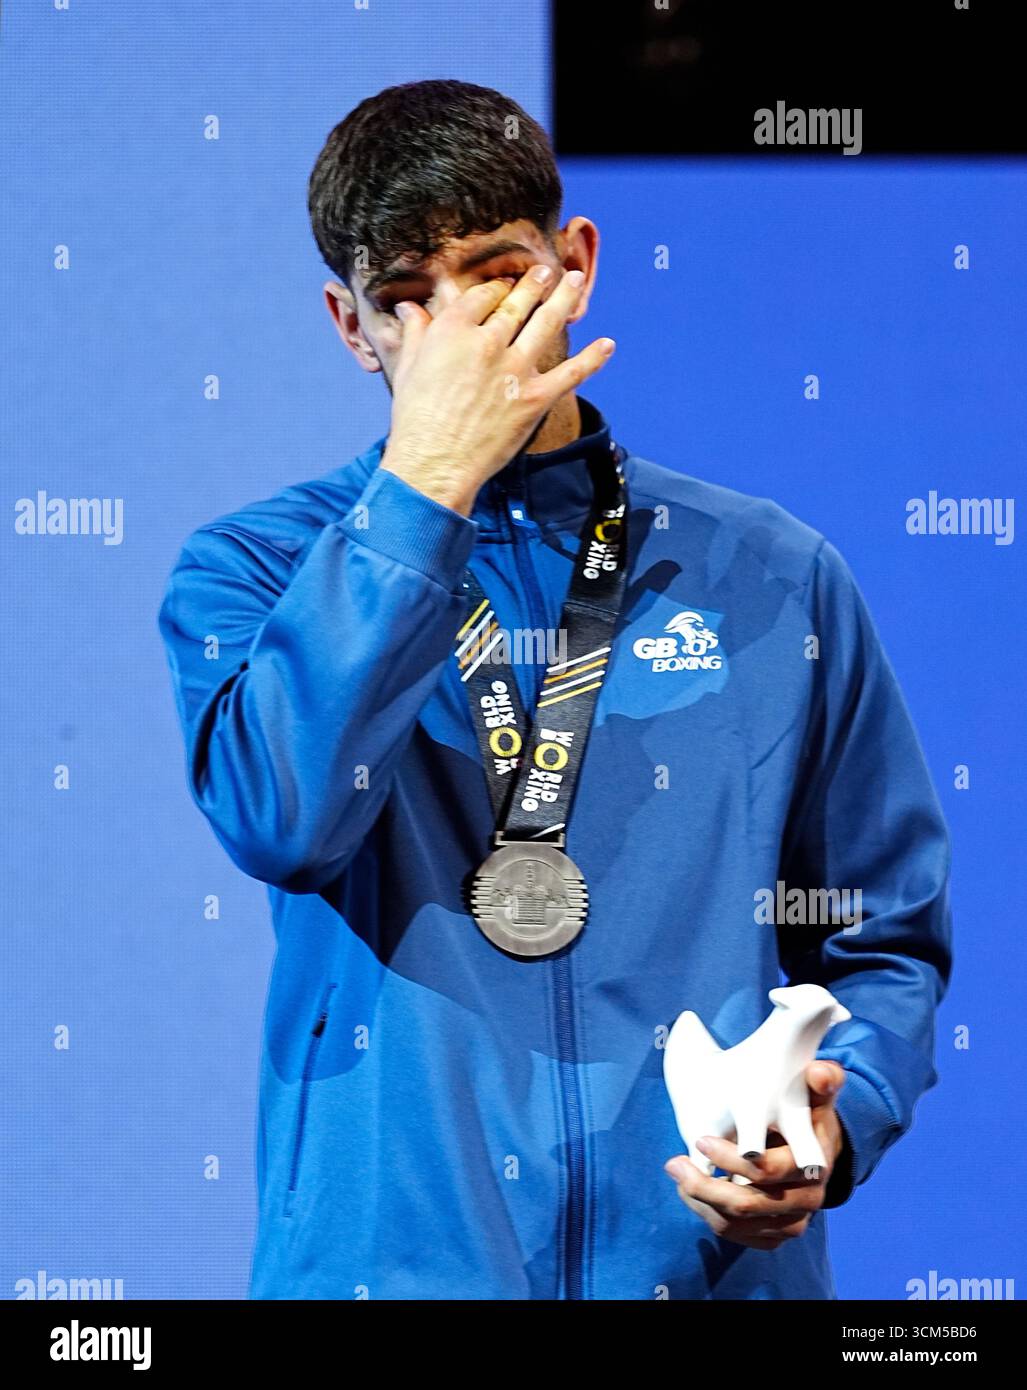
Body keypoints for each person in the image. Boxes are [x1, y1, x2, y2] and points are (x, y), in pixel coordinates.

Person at [157, 79, 952, 1300]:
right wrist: (424, 492)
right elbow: (286, 819)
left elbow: (878, 937)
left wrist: (832, 1125)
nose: (457, 332)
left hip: (705, 1280)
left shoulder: (774, 574)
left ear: (573, 263)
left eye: (492, 273)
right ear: (347, 325)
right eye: (406, 299)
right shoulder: (258, 568)